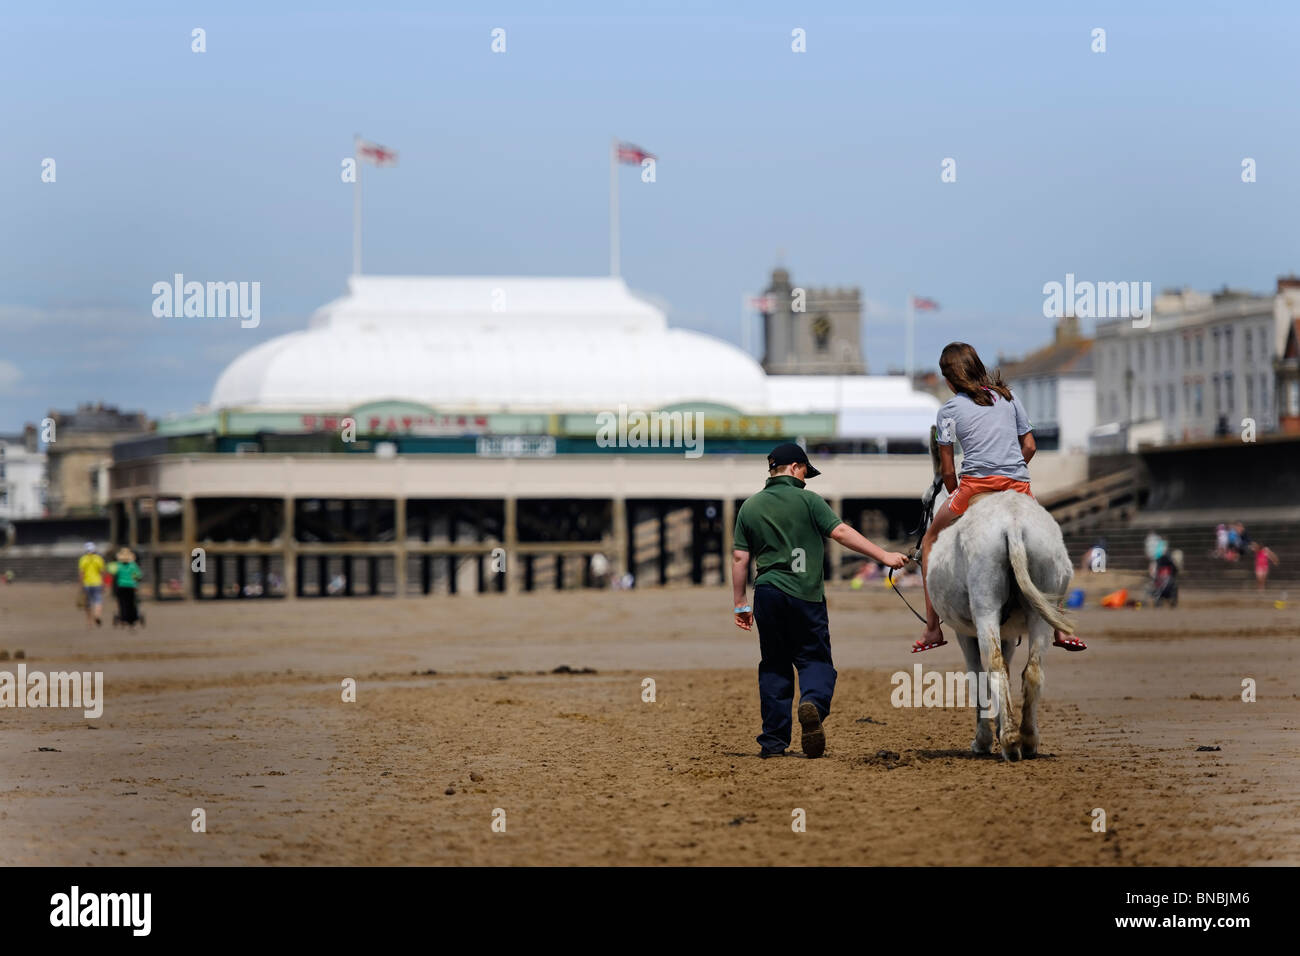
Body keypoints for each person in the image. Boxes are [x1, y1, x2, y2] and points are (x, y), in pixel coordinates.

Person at [732, 442, 908, 759]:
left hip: (767, 593)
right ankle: (811, 701)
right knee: (814, 660)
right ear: (797, 467)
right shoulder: (810, 500)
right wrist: (884, 556)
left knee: (774, 665)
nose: (806, 479)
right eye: (805, 473)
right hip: (805, 593)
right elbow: (840, 532)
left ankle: (773, 743)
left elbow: (739, 558)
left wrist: (740, 603)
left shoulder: (750, 506)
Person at [913, 342, 1085, 653]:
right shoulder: (1009, 397)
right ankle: (1059, 628)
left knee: (929, 541)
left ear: (950, 378)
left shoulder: (948, 411)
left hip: (974, 488)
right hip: (1018, 488)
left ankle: (932, 629)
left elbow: (948, 470)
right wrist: (1012, 471)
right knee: (1052, 544)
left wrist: (957, 494)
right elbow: (1030, 446)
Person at [112, 548, 143, 627]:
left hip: (121, 586)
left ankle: (123, 618)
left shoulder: (118, 565)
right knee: (131, 603)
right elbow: (138, 576)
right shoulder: (133, 565)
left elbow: (112, 572)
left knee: (122, 603)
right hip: (131, 587)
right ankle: (131, 618)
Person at [77, 542, 105, 628]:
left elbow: (81, 574)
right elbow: (102, 572)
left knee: (87, 603)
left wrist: (80, 585)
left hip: (87, 584)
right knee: (98, 601)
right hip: (97, 583)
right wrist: (103, 584)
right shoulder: (99, 559)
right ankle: (97, 615)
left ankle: (89, 622)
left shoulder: (83, 559)